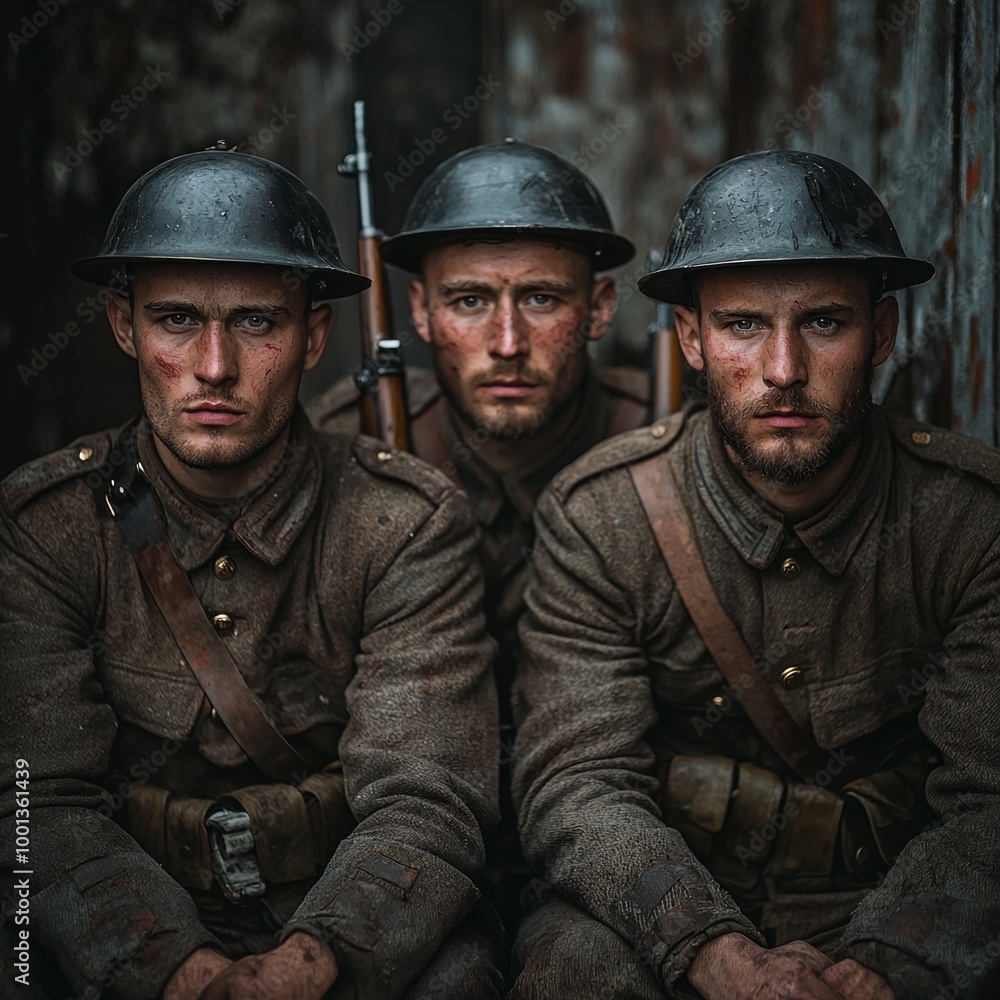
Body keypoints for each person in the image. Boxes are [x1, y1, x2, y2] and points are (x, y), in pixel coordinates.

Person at [0, 148, 502, 999]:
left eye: (257, 323)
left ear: (314, 337)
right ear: (124, 326)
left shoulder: (405, 523)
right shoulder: (48, 525)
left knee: (460, 977)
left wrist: (313, 961)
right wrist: (174, 968)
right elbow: (32, 803)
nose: (214, 367)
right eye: (175, 320)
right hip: (121, 909)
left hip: (337, 905)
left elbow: (429, 797)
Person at [509, 149, 1000, 999]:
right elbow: (578, 785)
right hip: (669, 901)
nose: (783, 370)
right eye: (742, 325)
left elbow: (990, 799)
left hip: (886, 898)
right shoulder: (602, 519)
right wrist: (715, 953)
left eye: (824, 323)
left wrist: (888, 964)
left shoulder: (969, 521)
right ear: (691, 339)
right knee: (571, 964)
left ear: (881, 333)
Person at [308, 139, 649, 927]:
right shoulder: (339, 447)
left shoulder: (666, 445)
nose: (507, 343)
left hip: (607, 850)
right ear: (420, 311)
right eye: (468, 301)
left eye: (541, 299)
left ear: (599, 308)